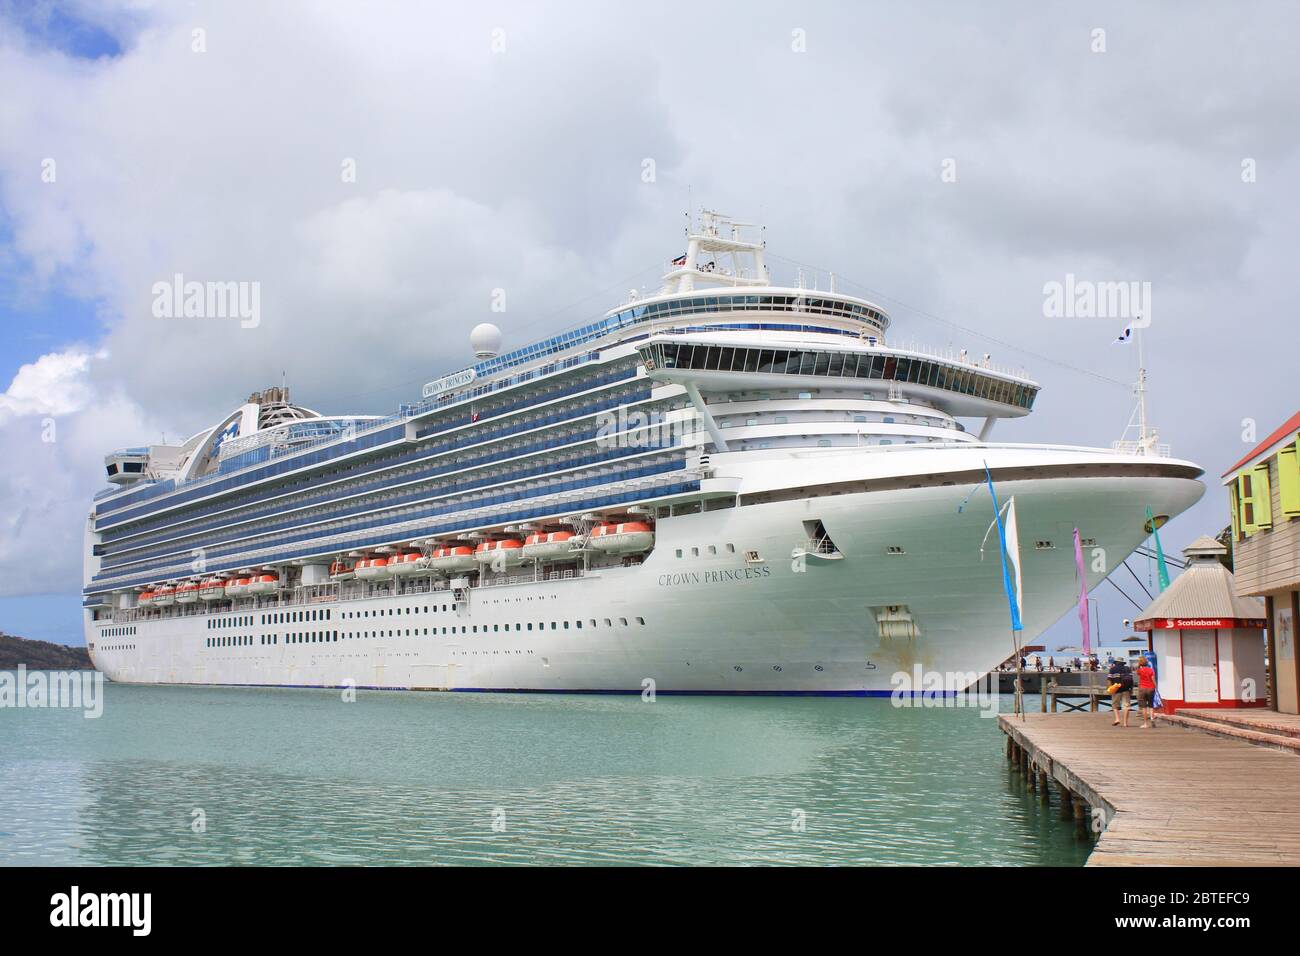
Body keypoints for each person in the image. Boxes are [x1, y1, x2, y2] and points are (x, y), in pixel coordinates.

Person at [1108, 657, 1134, 727]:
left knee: (1115, 705)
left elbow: (1109, 679)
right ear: (1123, 663)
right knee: (1126, 706)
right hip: (1126, 689)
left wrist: (1109, 689)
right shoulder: (1128, 669)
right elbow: (1131, 680)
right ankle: (1125, 723)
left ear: (1116, 662)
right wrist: (1131, 689)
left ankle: (1117, 719)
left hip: (1116, 689)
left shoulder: (1113, 669)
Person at [1136, 655, 1158, 728]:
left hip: (1142, 688)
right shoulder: (1150, 669)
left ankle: (1145, 723)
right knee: (1151, 705)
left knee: (1144, 707)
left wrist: (1139, 665)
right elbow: (1153, 679)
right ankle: (1152, 719)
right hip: (1151, 688)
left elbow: (1139, 675)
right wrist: (1156, 687)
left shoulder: (1139, 670)